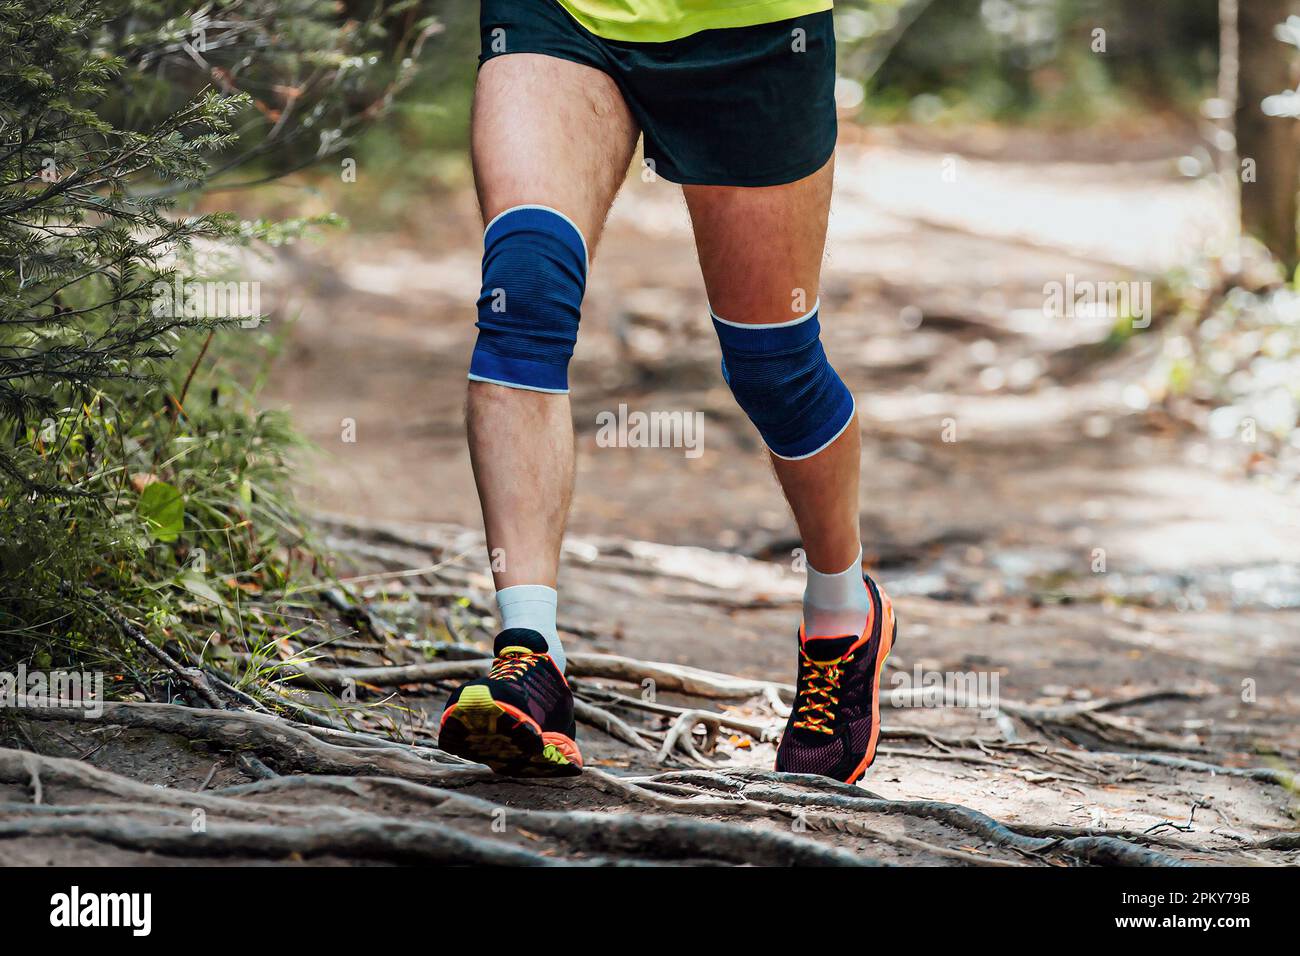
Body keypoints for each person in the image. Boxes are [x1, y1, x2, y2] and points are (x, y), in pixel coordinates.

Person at [439, 0, 897, 783]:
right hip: (561, 16)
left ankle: (840, 614)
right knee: (524, 298)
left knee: (771, 365)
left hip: (754, 30)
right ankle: (530, 653)